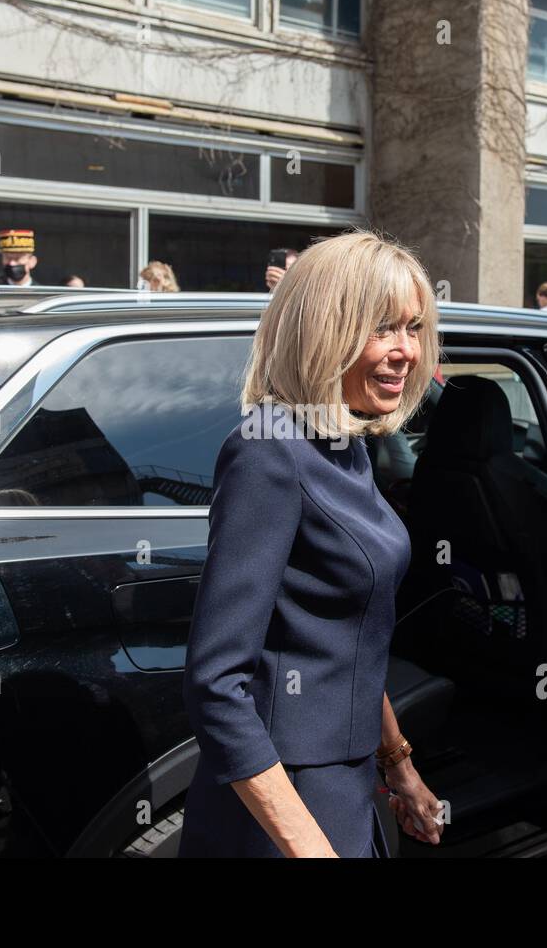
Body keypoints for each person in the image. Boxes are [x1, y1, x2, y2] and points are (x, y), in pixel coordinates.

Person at [178, 229, 445, 858]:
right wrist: (308, 845)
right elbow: (216, 683)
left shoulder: (345, 443)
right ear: (323, 329)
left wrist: (399, 766)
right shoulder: (268, 453)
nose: (405, 350)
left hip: (348, 785)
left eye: (413, 327)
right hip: (283, 805)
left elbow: (348, 637)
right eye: (382, 327)